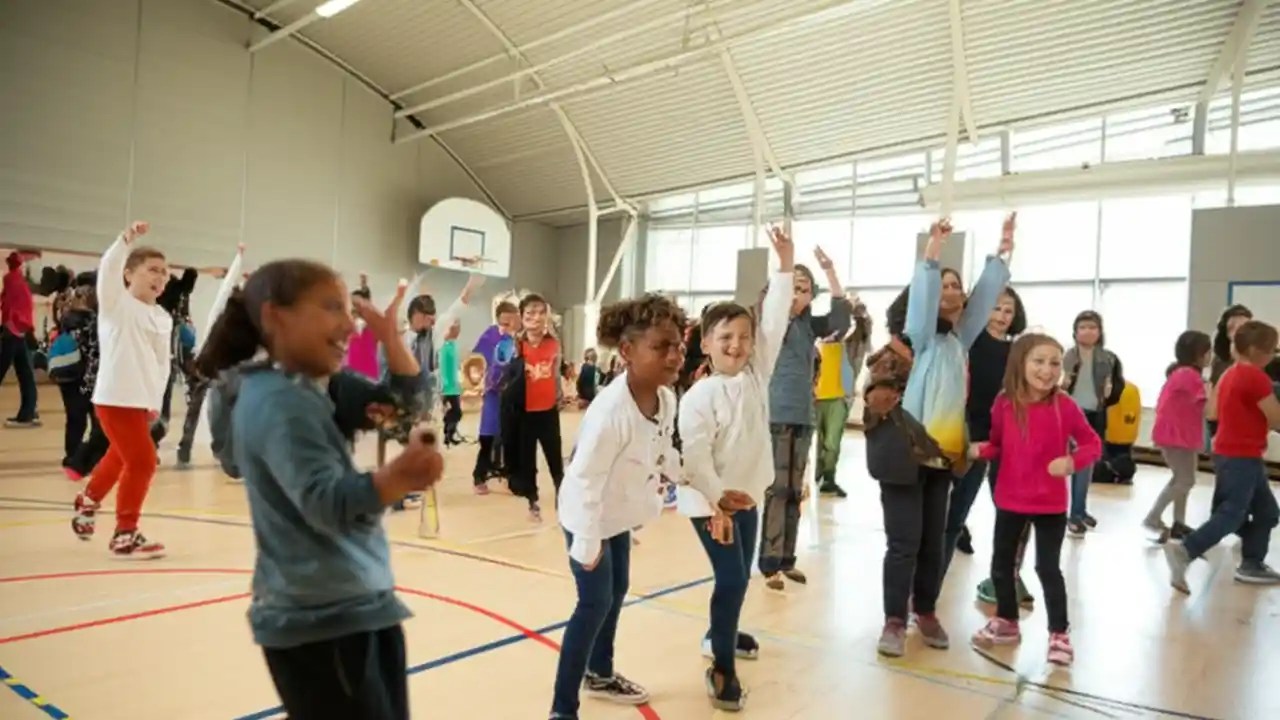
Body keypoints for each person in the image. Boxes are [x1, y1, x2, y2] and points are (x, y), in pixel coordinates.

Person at [194, 258, 442, 720]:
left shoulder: (313, 386)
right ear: (275, 316)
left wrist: (391, 339)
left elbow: (407, 410)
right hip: (325, 620)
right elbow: (326, 503)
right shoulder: (282, 399)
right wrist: (396, 479)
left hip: (347, 605)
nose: (349, 324)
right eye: (331, 308)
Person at [875, 214, 1015, 658]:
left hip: (942, 457)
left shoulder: (961, 340)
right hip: (905, 455)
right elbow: (922, 299)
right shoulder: (919, 338)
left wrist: (1001, 254)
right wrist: (932, 255)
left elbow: (985, 298)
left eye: (958, 286)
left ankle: (926, 609)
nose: (951, 292)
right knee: (903, 543)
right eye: (944, 286)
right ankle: (894, 619)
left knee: (934, 540)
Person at [549, 293, 685, 720]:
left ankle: (600, 672)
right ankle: (562, 710)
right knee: (593, 603)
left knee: (617, 589)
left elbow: (663, 452)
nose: (674, 355)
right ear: (627, 350)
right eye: (660, 346)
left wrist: (698, 481)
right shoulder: (611, 412)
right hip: (587, 515)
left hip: (618, 515)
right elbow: (584, 480)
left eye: (678, 345)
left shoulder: (665, 399)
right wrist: (587, 543)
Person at [678, 226, 794, 711]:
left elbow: (776, 322)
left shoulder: (755, 375)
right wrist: (717, 503)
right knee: (731, 580)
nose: (737, 344)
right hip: (711, 502)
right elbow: (695, 459)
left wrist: (785, 266)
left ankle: (718, 633)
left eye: (745, 337)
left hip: (748, 495)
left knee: (739, 576)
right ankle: (721, 666)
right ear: (706, 343)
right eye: (725, 337)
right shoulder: (699, 396)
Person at [969, 333, 1101, 667]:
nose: (1047, 370)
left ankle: (1059, 633)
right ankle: (1006, 621)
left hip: (1050, 505)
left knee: (1048, 568)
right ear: (1020, 364)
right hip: (1010, 499)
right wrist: (981, 450)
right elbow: (998, 444)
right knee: (1002, 565)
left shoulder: (1065, 406)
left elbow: (1092, 444)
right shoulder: (1004, 402)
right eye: (1039, 362)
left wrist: (1071, 462)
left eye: (1055, 363)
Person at [70, 221, 171, 558]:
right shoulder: (116, 304)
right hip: (114, 398)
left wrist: (155, 403)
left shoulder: (163, 317)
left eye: (165, 273)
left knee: (119, 457)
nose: (160, 277)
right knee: (143, 461)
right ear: (128, 274)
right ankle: (125, 533)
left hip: (142, 402)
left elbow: (161, 364)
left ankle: (88, 500)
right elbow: (109, 267)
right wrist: (125, 240)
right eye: (152, 270)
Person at [759, 245, 851, 591]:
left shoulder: (809, 326)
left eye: (805, 289)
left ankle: (787, 558)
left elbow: (840, 322)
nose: (798, 294)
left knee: (795, 490)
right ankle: (769, 561)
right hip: (776, 414)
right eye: (793, 287)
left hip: (803, 415)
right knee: (777, 488)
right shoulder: (772, 324)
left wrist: (830, 273)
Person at [1165, 320, 1280, 593]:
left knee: (1266, 512)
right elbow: (1276, 418)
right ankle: (1186, 550)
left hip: (1231, 452)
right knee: (1231, 514)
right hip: (1242, 455)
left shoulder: (1229, 373)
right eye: (1272, 350)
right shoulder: (1256, 378)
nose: (1274, 355)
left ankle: (1251, 562)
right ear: (1256, 350)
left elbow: (1213, 412)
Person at [938, 287, 1029, 605]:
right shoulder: (968, 344)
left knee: (1013, 515)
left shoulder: (1019, 353)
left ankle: (1006, 580)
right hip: (971, 440)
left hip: (1008, 443)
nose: (1002, 316)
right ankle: (926, 590)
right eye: (996, 308)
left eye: (1008, 310)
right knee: (954, 515)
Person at [1143, 330, 1212, 542]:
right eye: (1207, 352)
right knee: (1185, 480)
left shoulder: (1181, 373)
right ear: (1198, 354)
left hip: (1177, 436)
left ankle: (1178, 523)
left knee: (1181, 478)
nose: (1210, 356)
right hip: (1177, 437)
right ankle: (1153, 517)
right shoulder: (1190, 376)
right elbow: (1207, 407)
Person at [1062, 310, 1124, 537]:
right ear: (1075, 332)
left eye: (1092, 327)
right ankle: (1073, 515)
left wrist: (1109, 392)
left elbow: (1117, 388)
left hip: (1095, 415)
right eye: (1083, 327)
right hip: (1069, 414)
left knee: (1086, 465)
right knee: (1073, 465)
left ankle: (1079, 510)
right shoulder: (1066, 357)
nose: (1088, 332)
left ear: (1100, 332)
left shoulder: (1109, 359)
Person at [503, 293, 564, 522]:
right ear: (522, 316)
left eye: (540, 313)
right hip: (525, 413)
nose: (536, 318)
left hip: (548, 411)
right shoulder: (516, 346)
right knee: (527, 462)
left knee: (555, 460)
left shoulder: (554, 344)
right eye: (530, 313)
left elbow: (556, 374)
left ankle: (563, 501)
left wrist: (560, 394)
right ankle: (533, 502)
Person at [812, 299, 871, 498]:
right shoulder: (813, 343)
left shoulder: (849, 345)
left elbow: (863, 331)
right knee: (819, 442)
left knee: (832, 442)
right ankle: (819, 475)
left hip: (838, 398)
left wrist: (858, 312)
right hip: (816, 398)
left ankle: (829, 478)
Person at [472, 300, 518, 493]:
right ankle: (479, 476)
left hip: (511, 396)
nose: (508, 326)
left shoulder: (518, 340)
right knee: (488, 437)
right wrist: (482, 379)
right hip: (493, 395)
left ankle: (509, 476)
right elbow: (476, 361)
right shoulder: (489, 336)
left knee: (510, 439)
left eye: (512, 322)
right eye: (504, 322)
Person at [1, 250, 39, 427]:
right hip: (22, 330)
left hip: (12, 330)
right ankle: (28, 413)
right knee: (26, 374)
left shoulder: (10, 279)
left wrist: (7, 324)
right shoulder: (22, 282)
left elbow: (8, 305)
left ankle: (28, 413)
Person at [1206, 304, 1253, 443]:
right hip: (1226, 428)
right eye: (1235, 328)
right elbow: (1214, 409)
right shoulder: (1222, 362)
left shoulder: (1260, 359)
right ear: (1228, 333)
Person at [440, 319, 463, 446]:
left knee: (453, 411)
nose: (458, 332)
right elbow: (444, 369)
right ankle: (448, 433)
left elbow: (454, 368)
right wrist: (443, 388)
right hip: (448, 387)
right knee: (456, 412)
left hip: (453, 386)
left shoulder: (452, 346)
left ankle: (449, 434)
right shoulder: (446, 348)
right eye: (456, 329)